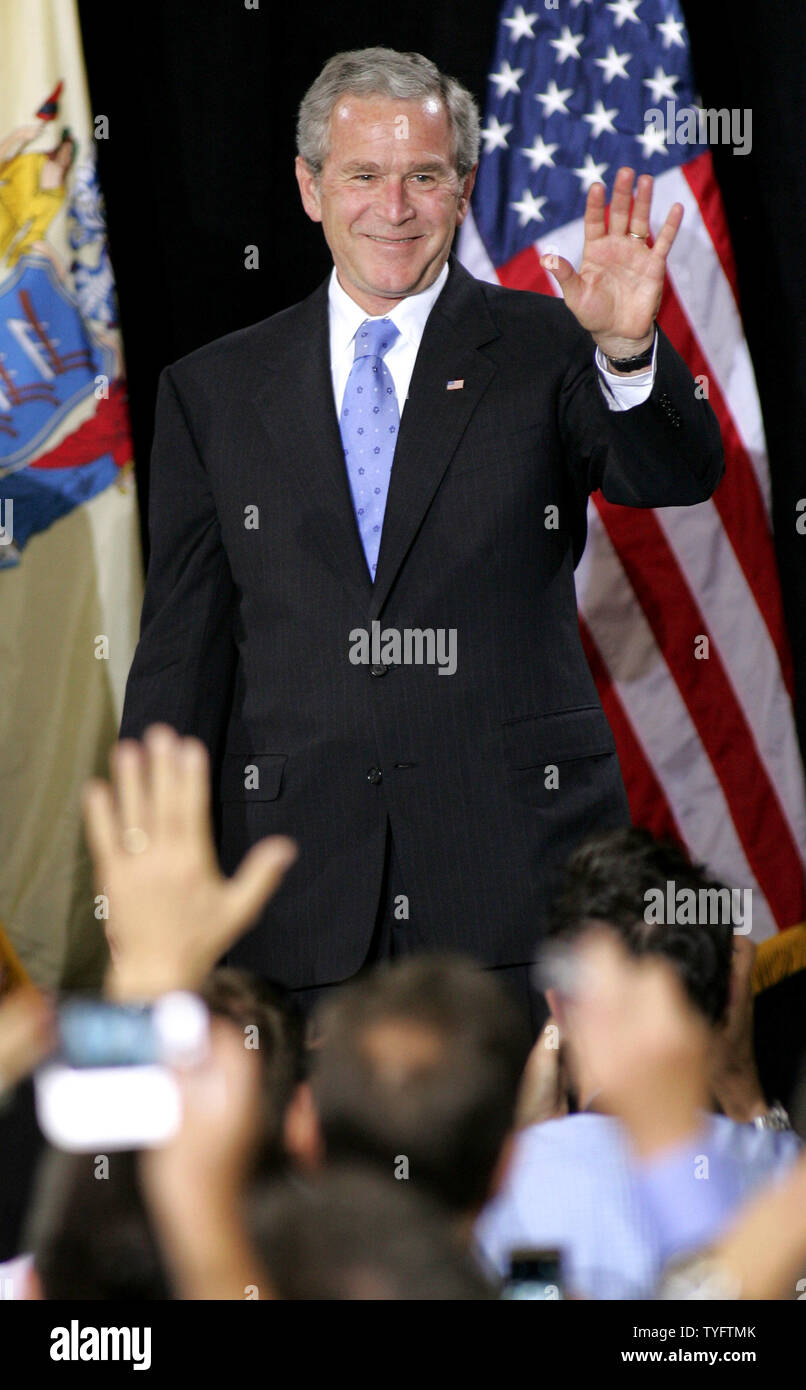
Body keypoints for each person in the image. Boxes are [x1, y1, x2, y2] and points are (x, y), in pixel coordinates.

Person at [117, 47, 724, 1020]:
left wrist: (624, 352)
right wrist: (146, 876)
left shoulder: (546, 345)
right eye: (362, 175)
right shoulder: (213, 390)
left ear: (462, 188)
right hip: (293, 893)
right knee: (317, 1177)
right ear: (311, 188)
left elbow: (675, 474)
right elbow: (179, 656)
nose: (392, 207)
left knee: (525, 1164)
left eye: (423, 177)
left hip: (513, 882)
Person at [476, 831, 801, 1298]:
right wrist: (745, 1095)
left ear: (559, 1005)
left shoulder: (493, 1197)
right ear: (727, 1002)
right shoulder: (783, 1179)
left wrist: (526, 1140)